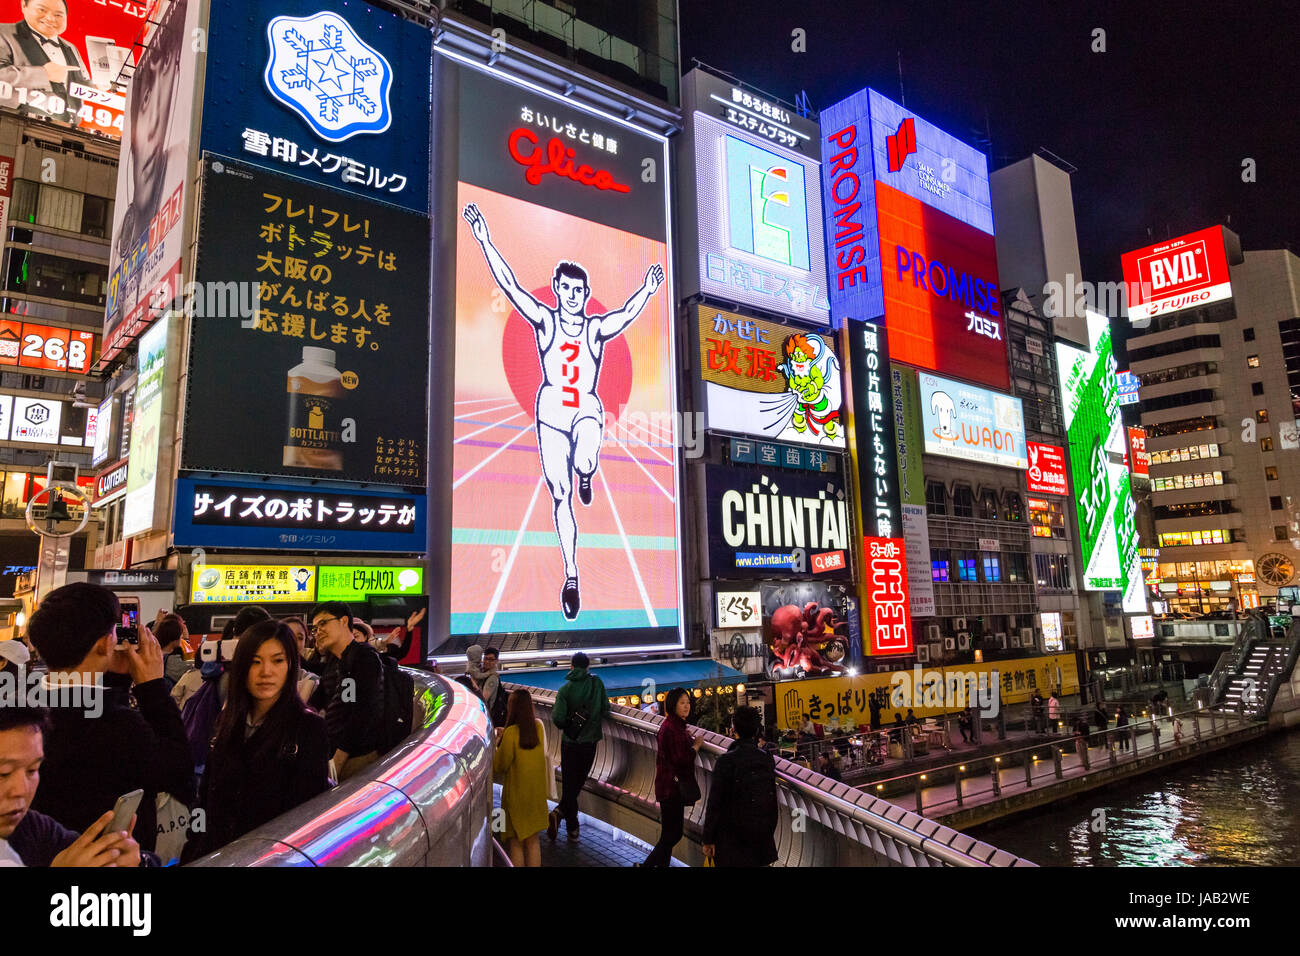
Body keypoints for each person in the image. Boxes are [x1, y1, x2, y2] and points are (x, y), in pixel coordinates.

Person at [463, 201, 666, 621]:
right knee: (560, 493)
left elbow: (625, 316)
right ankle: (572, 574)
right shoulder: (545, 321)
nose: (573, 297)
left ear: (586, 295)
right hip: (551, 408)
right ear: (557, 289)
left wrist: (647, 289)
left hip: (586, 407)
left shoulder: (594, 328)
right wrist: (484, 240)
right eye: (567, 289)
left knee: (586, 458)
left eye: (580, 291)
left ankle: (587, 472)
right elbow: (512, 287)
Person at [25, 582, 194, 853]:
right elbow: (178, 771)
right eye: (114, 632)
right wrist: (152, 687)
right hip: (110, 860)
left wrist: (116, 679)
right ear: (105, 644)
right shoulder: (120, 726)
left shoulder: (22, 708)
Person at [187, 621, 329, 860]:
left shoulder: (308, 728)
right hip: (215, 858)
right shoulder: (227, 721)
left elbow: (307, 819)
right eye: (255, 662)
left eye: (277, 661)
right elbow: (205, 802)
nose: (266, 672)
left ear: (291, 665)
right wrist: (192, 853)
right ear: (241, 667)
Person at [0, 705, 145, 867]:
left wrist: (125, 857)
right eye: (4, 773)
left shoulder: (32, 828)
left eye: (32, 770)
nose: (21, 790)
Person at [308, 601, 384, 782]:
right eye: (315, 628)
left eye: (323, 623)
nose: (318, 631)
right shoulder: (336, 661)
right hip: (335, 750)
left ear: (343, 621)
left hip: (357, 756)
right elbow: (318, 701)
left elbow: (362, 712)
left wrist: (339, 760)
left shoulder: (363, 657)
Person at [702, 705, 778, 868]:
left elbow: (715, 803)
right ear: (757, 730)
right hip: (761, 837)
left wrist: (708, 838)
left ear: (733, 729)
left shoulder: (726, 761)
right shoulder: (766, 759)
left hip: (732, 839)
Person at [547, 652, 609, 842]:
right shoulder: (596, 684)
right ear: (588, 666)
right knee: (576, 786)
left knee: (569, 786)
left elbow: (557, 718)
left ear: (571, 666)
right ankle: (569, 825)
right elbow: (605, 708)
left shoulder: (565, 690)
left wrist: (570, 724)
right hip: (589, 743)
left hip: (569, 743)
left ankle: (567, 823)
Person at [0, 0, 92, 122]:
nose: (50, 18)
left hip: (68, 128)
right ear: (24, 6)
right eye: (42, 10)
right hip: (14, 121)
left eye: (58, 15)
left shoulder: (71, 47)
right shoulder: (4, 32)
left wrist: (99, 86)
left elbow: (79, 83)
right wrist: (43, 74)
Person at [641, 688, 703, 867]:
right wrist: (697, 746)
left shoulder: (674, 726)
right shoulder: (673, 729)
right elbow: (681, 760)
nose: (686, 706)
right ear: (673, 705)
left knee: (668, 834)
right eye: (682, 703)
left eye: (688, 702)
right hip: (671, 788)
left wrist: (688, 739)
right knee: (673, 835)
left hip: (667, 786)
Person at [492, 689, 549, 867]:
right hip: (537, 796)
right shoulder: (538, 728)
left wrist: (496, 743)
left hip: (516, 798)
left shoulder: (511, 734)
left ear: (513, 708)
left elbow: (499, 766)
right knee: (533, 841)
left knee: (516, 842)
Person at [155, 613, 190, 691]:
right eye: (180, 635)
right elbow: (188, 673)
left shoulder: (155, 653)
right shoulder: (172, 659)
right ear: (174, 638)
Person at [481, 647, 505, 726]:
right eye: (485, 658)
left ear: (496, 661)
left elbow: (483, 699)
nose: (487, 661)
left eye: (491, 659)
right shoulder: (483, 674)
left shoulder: (493, 678)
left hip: (488, 718)